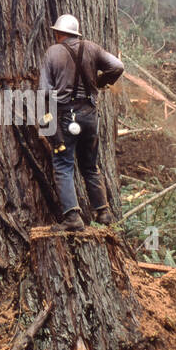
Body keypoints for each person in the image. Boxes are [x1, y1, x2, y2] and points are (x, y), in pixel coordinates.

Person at [39, 13, 124, 231]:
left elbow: (45, 92)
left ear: (59, 33)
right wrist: (99, 82)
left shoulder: (52, 52)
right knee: (90, 166)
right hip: (90, 116)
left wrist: (47, 122)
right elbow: (117, 66)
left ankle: (72, 218)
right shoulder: (92, 48)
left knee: (63, 165)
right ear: (75, 33)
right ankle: (103, 212)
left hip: (66, 116)